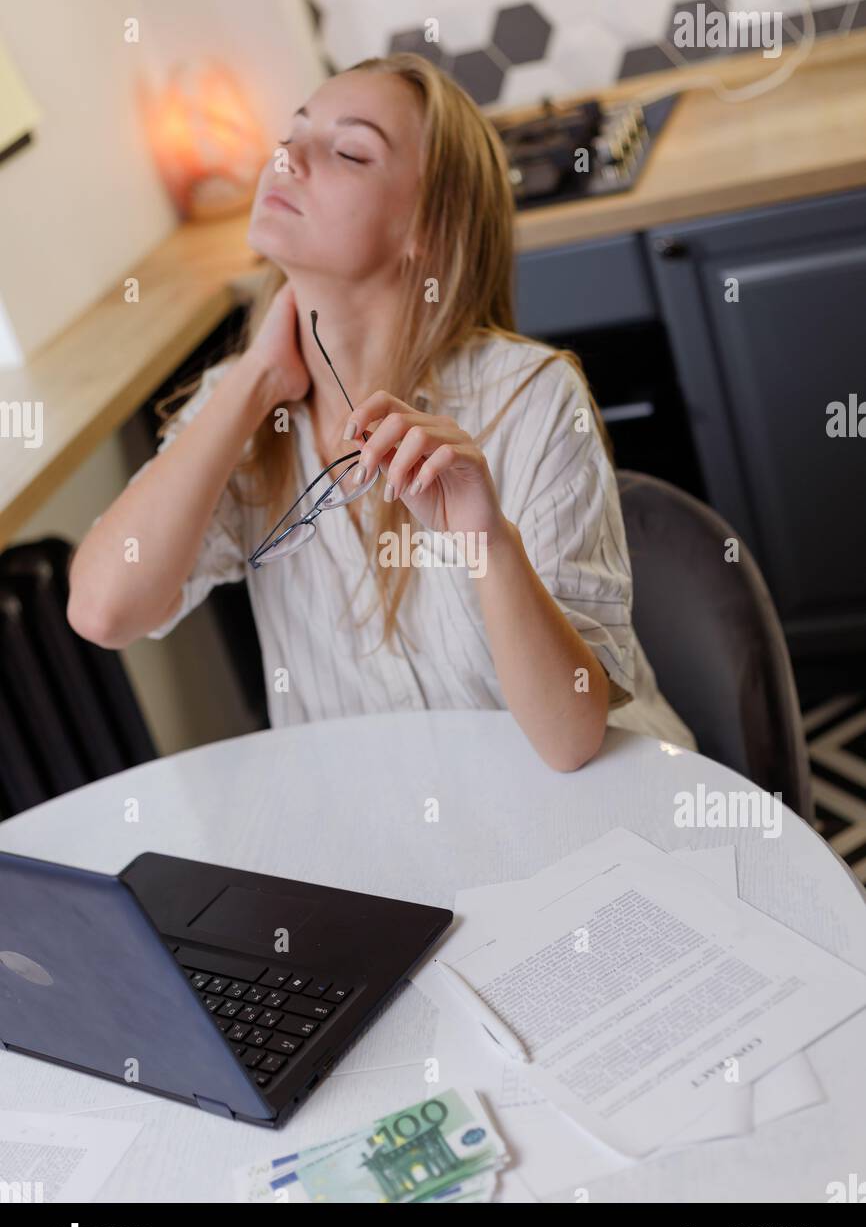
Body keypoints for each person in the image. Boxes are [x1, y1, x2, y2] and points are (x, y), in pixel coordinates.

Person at [67, 53, 695, 771]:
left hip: (589, 813)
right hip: (386, 844)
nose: (288, 156)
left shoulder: (530, 398)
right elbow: (103, 612)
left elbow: (570, 741)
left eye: (348, 151)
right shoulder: (242, 411)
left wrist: (488, 540)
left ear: (423, 228)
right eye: (294, 131)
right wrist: (255, 378)